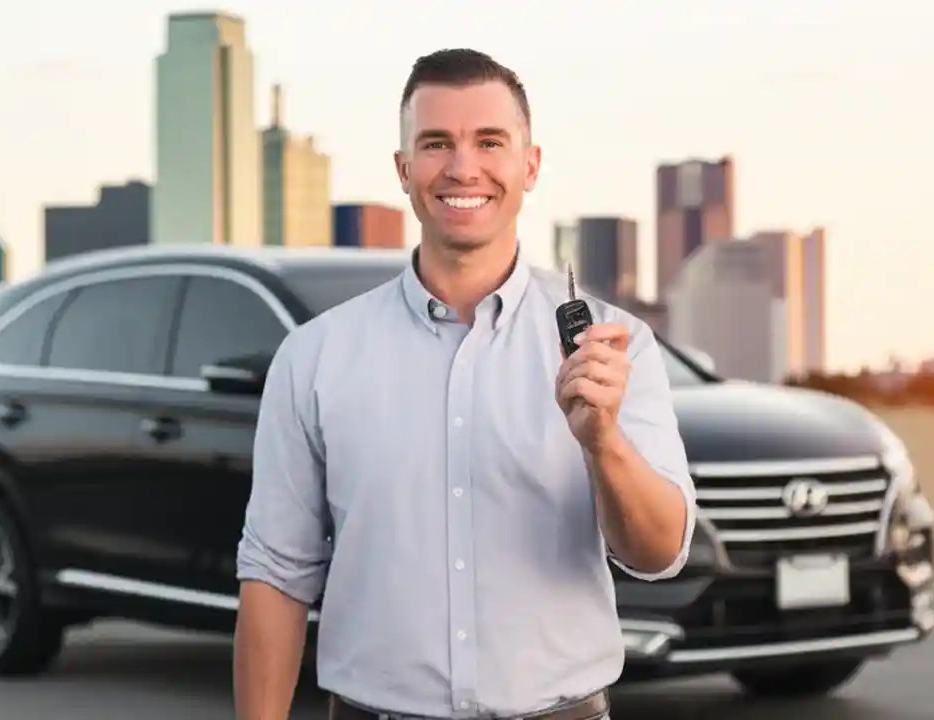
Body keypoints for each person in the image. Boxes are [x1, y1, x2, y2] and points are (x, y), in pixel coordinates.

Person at [233, 48, 697, 720]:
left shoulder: (613, 346)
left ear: (530, 165)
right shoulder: (315, 358)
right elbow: (276, 575)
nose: (462, 167)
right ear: (404, 169)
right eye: (435, 144)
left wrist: (603, 443)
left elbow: (658, 554)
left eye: (489, 142)